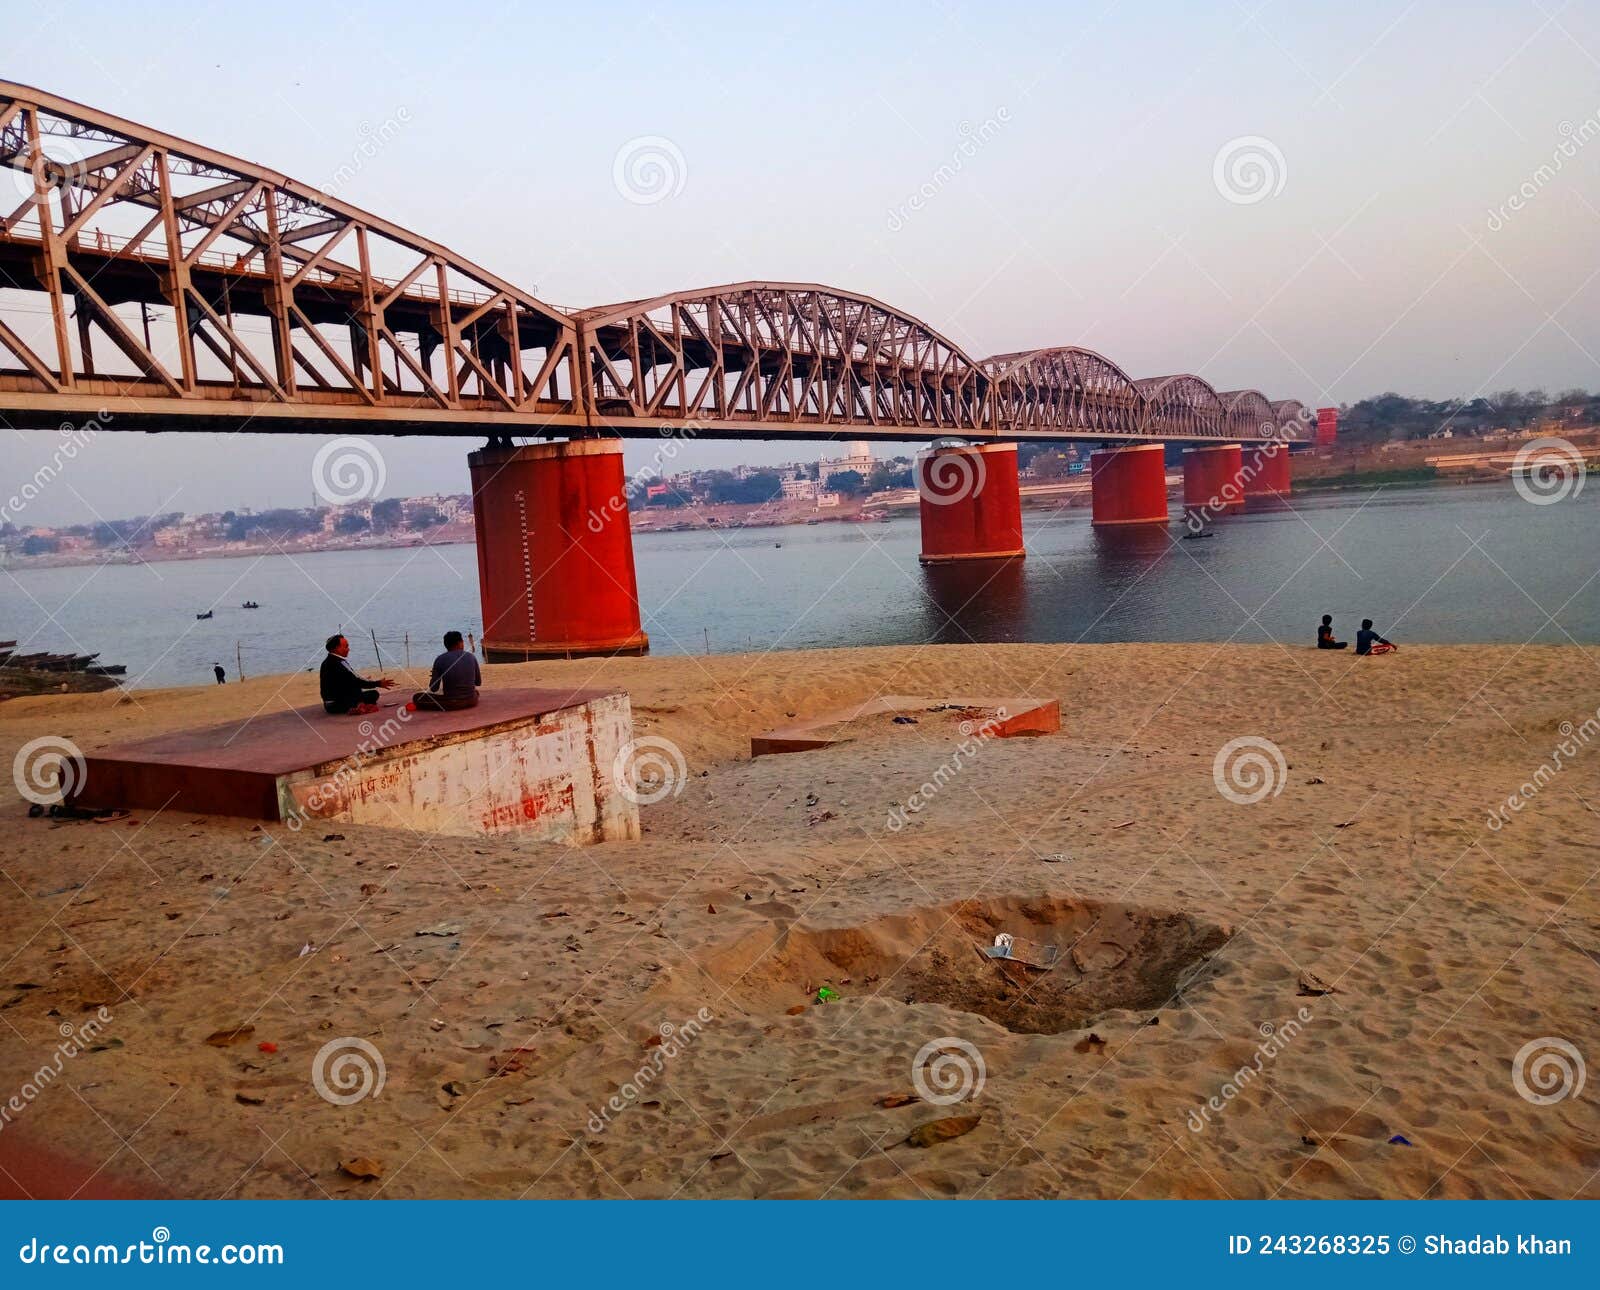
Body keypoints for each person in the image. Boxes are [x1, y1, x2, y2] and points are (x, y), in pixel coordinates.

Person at [319, 633, 394, 714]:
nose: (348, 649)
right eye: (346, 646)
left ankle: (358, 705)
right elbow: (355, 682)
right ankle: (356, 706)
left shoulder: (334, 660)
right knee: (373, 695)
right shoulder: (333, 664)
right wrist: (378, 683)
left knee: (372, 694)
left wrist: (369, 681)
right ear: (337, 648)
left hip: (338, 700)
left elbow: (350, 680)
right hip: (336, 703)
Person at [412, 630, 481, 711]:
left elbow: (434, 688)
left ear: (446, 645)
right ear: (461, 643)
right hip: (472, 700)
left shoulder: (440, 659)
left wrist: (434, 675)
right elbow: (478, 682)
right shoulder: (471, 657)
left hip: (451, 702)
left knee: (417, 697)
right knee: (476, 692)